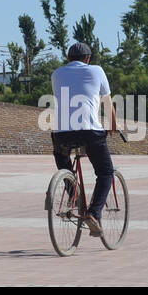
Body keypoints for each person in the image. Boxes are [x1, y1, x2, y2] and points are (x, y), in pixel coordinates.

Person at [49, 41, 117, 237]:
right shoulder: (97, 71)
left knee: (62, 160)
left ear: (68, 59)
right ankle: (93, 214)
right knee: (105, 172)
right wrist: (113, 126)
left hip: (62, 133)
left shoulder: (57, 74)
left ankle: (73, 193)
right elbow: (107, 103)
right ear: (88, 59)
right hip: (89, 132)